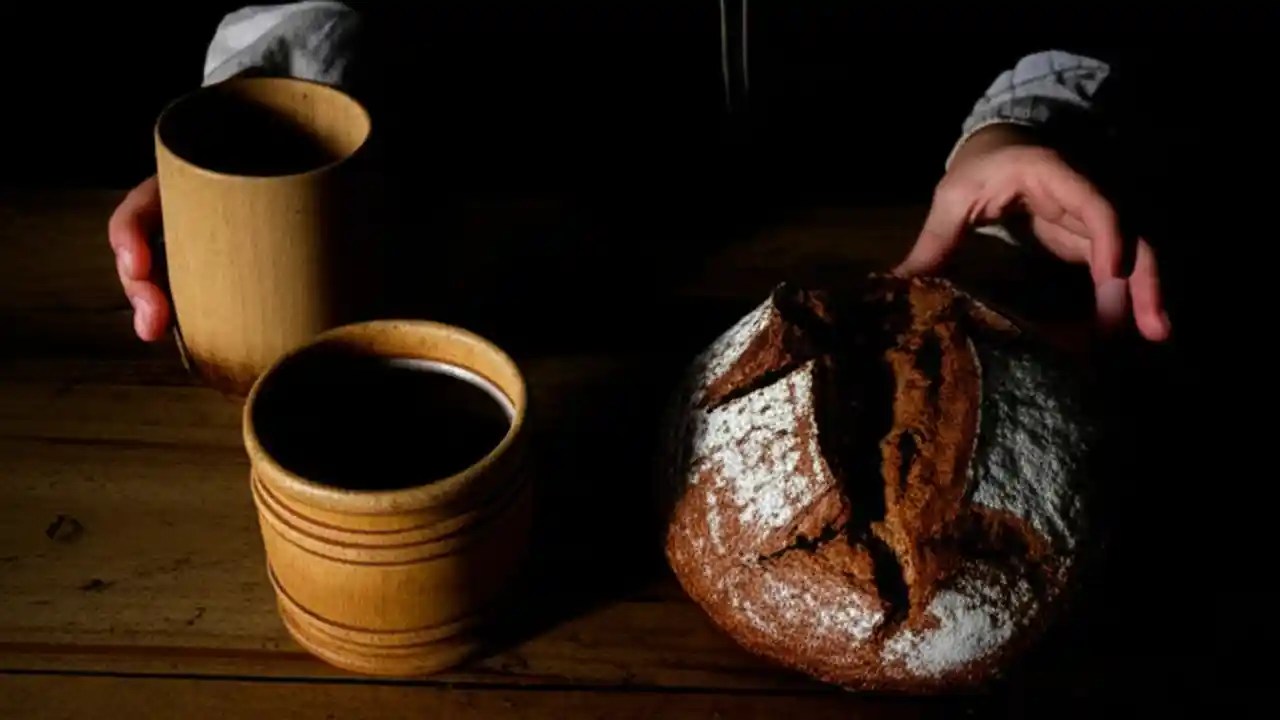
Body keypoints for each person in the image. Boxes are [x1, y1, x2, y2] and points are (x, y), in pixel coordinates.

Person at [107, 2, 1170, 344]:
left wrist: (1026, 117)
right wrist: (264, 118)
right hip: (509, 293)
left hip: (915, 233)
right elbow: (312, 6)